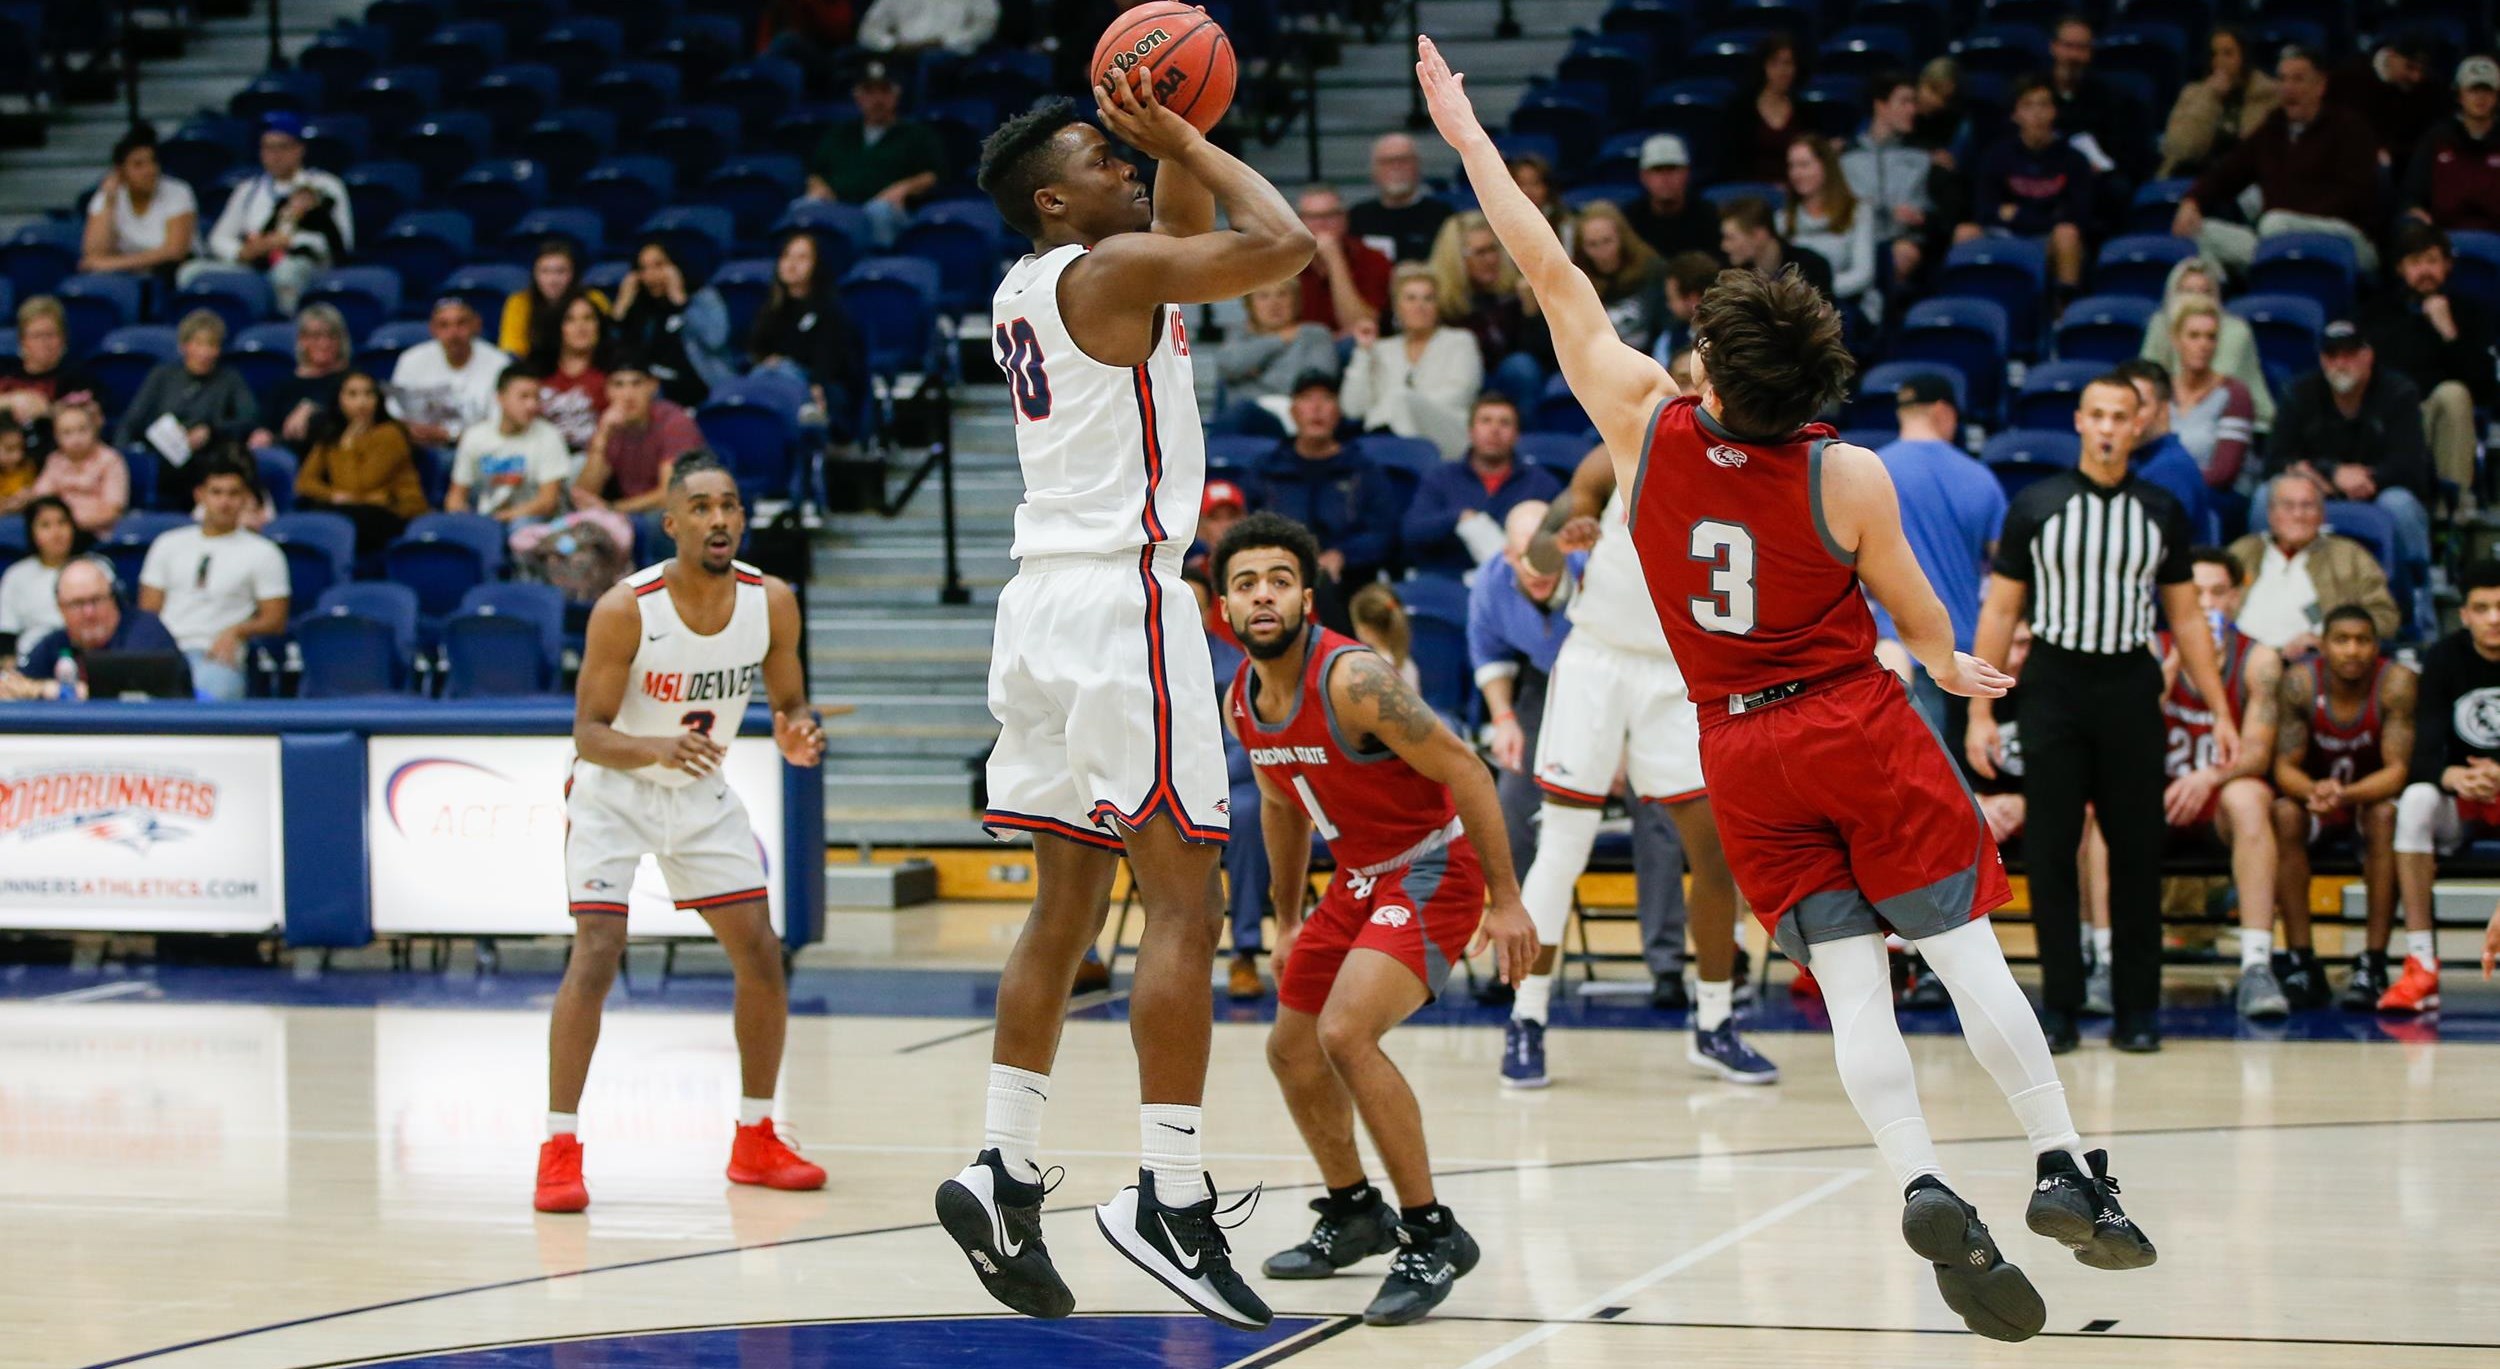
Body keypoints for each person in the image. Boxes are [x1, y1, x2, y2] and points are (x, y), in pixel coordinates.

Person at [1424, 39, 2156, 1344]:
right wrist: (1950, 666)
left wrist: (1471, 140)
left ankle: (1921, 1180)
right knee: (1964, 955)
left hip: (1739, 747)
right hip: (1853, 723)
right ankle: (2060, 1161)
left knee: (1853, 984)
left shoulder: (1643, 426)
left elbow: (1550, 271)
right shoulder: (1848, 476)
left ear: (1709, 367)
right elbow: (1923, 626)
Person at [939, 76, 1314, 1332]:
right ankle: (1169, 1193)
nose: (1130, 168)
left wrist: (1173, 143)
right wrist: (1192, 129)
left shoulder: (1039, 283)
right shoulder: (1109, 272)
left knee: (1063, 907)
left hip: (1041, 604)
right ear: (1053, 200)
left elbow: (1187, 227)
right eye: (1104, 159)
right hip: (1120, 605)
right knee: (1185, 902)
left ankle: (1001, 1165)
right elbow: (1284, 244)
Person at [1218, 513, 1535, 1328]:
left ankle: (1432, 1233)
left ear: (1307, 598)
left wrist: (1506, 900)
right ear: (1225, 608)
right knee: (1290, 1047)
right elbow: (1282, 805)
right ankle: (1354, 1210)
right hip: (1358, 877)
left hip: (1435, 865)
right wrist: (1288, 919)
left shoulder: (1354, 679)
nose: (1263, 595)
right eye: (1247, 583)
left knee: (1345, 1032)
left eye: (1280, 581)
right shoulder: (1242, 700)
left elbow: (1467, 768)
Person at [535, 453, 828, 1214]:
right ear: (671, 523)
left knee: (761, 952)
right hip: (614, 791)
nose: (718, 518)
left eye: (729, 505)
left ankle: (755, 1137)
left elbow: (791, 701)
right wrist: (654, 746)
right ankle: (558, 1148)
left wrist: (796, 732)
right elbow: (590, 734)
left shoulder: (773, 602)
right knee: (598, 950)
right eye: (701, 507)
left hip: (698, 791)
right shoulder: (626, 608)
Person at [1971, 374, 2234, 1056]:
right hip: (2054, 683)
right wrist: (1980, 712)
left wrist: (2220, 709)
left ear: (2139, 424)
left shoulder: (2160, 508)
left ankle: (2137, 1008)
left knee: (2138, 850)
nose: (2110, 427)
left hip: (2129, 687)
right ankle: (2060, 1005)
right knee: (2052, 849)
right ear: (2080, 421)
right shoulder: (2037, 504)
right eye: (2099, 415)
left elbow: (2186, 618)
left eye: (2122, 415)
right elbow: (2000, 611)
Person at [1512, 445, 1781, 1087]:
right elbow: (1538, 559)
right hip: (1596, 660)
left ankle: (1715, 1022)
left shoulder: (1752, 459)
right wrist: (1561, 542)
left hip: (1680, 671)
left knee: (1714, 850)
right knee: (1563, 845)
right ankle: (1527, 1017)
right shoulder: (1614, 457)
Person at [2158, 550, 2289, 1019]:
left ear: (2236, 598)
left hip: (2219, 805)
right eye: (2196, 594)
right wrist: (2179, 659)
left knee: (2249, 796)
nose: (2207, 603)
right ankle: (2104, 960)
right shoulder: (2152, 649)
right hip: (2157, 800)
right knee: (2100, 802)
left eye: (2218, 592)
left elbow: (2257, 752)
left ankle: (2256, 965)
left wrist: (2209, 776)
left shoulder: (2259, 659)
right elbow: (2127, 733)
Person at [2272, 605, 2413, 1011]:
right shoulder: (2300, 682)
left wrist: (2345, 795)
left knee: (2385, 816)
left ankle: (2373, 962)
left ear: (2376, 646)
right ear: (2323, 645)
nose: (2352, 650)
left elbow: (2398, 770)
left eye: (2362, 640)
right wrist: (2314, 791)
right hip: (2316, 802)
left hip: (2366, 801)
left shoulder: (2396, 683)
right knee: (2283, 814)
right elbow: (2284, 766)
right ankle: (2301, 960)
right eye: (2342, 640)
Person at [2389, 561, 2500, 1015]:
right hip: (2461, 799)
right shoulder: (2442, 659)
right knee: (2415, 800)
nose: (2494, 618)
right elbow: (2420, 753)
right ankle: (2420, 963)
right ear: (2465, 614)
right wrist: (2451, 777)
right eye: (2482, 608)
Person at [1871, 375, 2005, 730]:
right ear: (1944, 413)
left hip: (1902, 654)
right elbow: (2008, 568)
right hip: (1972, 660)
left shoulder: (1871, 473)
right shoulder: (1981, 478)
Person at [2174, 47, 2381, 275]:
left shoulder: (2350, 128)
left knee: (2275, 222)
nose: (2288, 88)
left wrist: (2292, 212)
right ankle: (2217, 291)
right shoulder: (2273, 129)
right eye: (2283, 79)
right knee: (2195, 230)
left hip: (2343, 238)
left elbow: (2356, 197)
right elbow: (2228, 172)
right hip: (2275, 234)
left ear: (2320, 85)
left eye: (2298, 79)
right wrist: (2193, 200)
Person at [1467, 500, 1583, 890]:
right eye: (1522, 557)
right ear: (1507, 555)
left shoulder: (1594, 568)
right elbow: (1490, 656)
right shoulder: (1491, 581)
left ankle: (1664, 930)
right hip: (1542, 678)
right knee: (1514, 792)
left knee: (1651, 799)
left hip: (1615, 676)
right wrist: (1503, 719)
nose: (1535, 570)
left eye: (1544, 555)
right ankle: (1514, 909)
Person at [2263, 322, 2434, 573]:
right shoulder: (2299, 392)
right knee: (2267, 494)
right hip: (2315, 489)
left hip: (2380, 490)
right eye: (2332, 355)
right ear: (2322, 360)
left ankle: (2417, 589)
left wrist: (2368, 478)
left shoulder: (2399, 393)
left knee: (2399, 504)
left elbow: (2411, 466)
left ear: (2368, 356)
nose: (2341, 364)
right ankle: (2266, 575)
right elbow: (2274, 461)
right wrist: (2331, 473)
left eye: (2349, 354)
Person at [2363, 221, 2496, 507]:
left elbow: (2485, 388)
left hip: (2442, 414)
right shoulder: (2376, 314)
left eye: (2432, 261)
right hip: (2391, 414)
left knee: (2453, 393)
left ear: (2447, 266)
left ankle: (2455, 508)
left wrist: (2449, 332)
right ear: (2400, 269)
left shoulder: (2471, 313)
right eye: (2415, 262)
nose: (2425, 271)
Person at [134, 453, 288, 700]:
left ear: (245, 498)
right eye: (216, 492)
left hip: (218, 656)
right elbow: (148, 611)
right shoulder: (167, 544)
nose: (224, 502)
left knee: (209, 694)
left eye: (233, 493)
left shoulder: (265, 552)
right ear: (200, 495)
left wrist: (237, 631)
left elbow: (275, 620)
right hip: (166, 654)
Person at [185, 112, 351, 312]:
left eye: (282, 147)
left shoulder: (325, 185)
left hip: (305, 266)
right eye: (268, 148)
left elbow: (343, 242)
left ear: (299, 149)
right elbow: (218, 238)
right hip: (253, 267)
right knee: (192, 271)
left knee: (287, 271)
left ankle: (286, 322)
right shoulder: (248, 189)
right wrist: (241, 252)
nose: (275, 155)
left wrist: (288, 242)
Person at [2226, 469, 2402, 654]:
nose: (2298, 515)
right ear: (2271, 514)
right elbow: (2211, 607)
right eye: (2288, 506)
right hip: (2240, 658)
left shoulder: (2350, 556)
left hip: (2316, 661)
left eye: (2307, 506)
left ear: (2322, 514)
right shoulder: (2242, 552)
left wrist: (2331, 640)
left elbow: (2386, 618)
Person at [1251, 378, 1394, 595]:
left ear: (1338, 412)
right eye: (1307, 399)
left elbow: (1383, 531)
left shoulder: (1363, 470)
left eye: (1326, 399)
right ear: (1293, 412)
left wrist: (1343, 555)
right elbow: (1246, 522)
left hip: (1348, 583)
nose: (1316, 408)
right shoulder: (1266, 468)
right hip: (1275, 580)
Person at [114, 310, 259, 514]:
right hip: (162, 459)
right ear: (184, 346)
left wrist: (210, 431)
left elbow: (249, 418)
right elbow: (133, 420)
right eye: (198, 344)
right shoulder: (162, 375)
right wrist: (120, 457)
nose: (205, 353)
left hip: (208, 460)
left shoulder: (229, 379)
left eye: (212, 345)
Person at [1399, 393, 1559, 576]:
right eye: (1486, 421)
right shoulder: (1441, 477)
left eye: (1505, 423)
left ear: (1517, 435)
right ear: (1471, 432)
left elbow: (1555, 541)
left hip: (1516, 581)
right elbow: (1412, 531)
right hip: (1446, 579)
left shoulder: (1541, 483)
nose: (1494, 430)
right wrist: (1459, 518)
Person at [1340, 263, 1483, 460]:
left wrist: (1401, 406)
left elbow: (1460, 396)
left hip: (1449, 434)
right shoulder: (1381, 350)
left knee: (1400, 399)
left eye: (1428, 298)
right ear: (1397, 307)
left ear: (1437, 306)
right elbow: (1352, 408)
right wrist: (1363, 352)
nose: (1420, 306)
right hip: (1391, 438)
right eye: (1411, 298)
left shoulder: (1460, 341)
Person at [1965, 76, 2092, 291]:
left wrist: (2018, 215)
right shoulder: (1997, 156)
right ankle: (1970, 305)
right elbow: (1984, 210)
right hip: (2006, 236)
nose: (2037, 114)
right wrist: (2044, 215)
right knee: (1965, 232)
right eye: (2028, 106)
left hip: (2049, 239)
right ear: (2016, 115)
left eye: (2044, 105)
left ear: (2054, 112)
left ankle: (2064, 308)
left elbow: (2078, 216)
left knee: (2067, 235)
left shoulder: (2073, 160)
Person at [804, 60, 945, 247]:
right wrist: (818, 187)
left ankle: (878, 260)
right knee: (805, 206)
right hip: (840, 207)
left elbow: (933, 175)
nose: (878, 100)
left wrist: (903, 188)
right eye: (869, 92)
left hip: (888, 212)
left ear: (896, 96)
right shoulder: (841, 133)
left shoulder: (916, 135)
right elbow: (815, 173)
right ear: (858, 97)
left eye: (885, 91)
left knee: (878, 211)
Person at [5, 556, 184, 699]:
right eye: (77, 604)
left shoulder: (146, 632)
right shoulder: (56, 642)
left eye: (96, 600)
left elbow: (121, 696)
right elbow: (11, 685)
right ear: (61, 608)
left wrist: (51, 690)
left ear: (113, 598)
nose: (89, 612)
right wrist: (40, 688)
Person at [295, 370, 429, 555]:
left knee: (341, 518)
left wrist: (348, 447)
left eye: (368, 394)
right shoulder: (332, 434)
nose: (362, 402)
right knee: (315, 513)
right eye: (352, 394)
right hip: (353, 510)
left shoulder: (390, 434)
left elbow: (359, 484)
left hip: (395, 512)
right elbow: (304, 483)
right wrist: (334, 495)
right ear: (339, 399)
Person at [1845, 74, 1954, 285]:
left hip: (1904, 242)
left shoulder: (1925, 156)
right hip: (1857, 240)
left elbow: (1945, 215)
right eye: (1904, 102)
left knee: (1903, 254)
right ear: (1881, 105)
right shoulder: (1847, 157)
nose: (1912, 110)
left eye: (1914, 103)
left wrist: (1922, 217)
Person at [2140, 256, 2274, 428]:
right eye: (2187, 292)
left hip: (2238, 420)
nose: (2195, 299)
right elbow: (2147, 382)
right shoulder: (2160, 325)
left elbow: (2213, 393)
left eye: (2205, 292)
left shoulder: (2235, 331)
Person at [748, 230, 864, 423]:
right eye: (787, 256)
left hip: (817, 385)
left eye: (802, 258)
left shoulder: (830, 309)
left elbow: (830, 358)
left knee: (783, 371)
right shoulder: (771, 309)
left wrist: (816, 383)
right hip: (774, 381)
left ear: (816, 265)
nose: (792, 264)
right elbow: (758, 348)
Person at [573, 358, 707, 515]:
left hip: (685, 511)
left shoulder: (674, 422)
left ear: (653, 386)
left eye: (636, 384)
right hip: (634, 513)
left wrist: (611, 509)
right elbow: (583, 495)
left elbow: (670, 494)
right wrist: (602, 436)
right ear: (607, 390)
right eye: (618, 385)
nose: (628, 395)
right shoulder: (611, 427)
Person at [612, 237, 735, 407]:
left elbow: (715, 339)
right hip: (655, 399)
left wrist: (681, 302)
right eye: (643, 268)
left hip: (704, 393)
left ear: (675, 266)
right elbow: (615, 353)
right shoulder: (641, 307)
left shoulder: (703, 297)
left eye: (659, 265)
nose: (651, 275)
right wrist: (621, 306)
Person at [1425, 211, 1537, 395]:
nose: (1491, 259)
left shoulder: (1513, 294)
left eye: (1494, 249)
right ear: (1456, 258)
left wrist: (1530, 315)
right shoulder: (1436, 300)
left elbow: (1539, 358)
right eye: (1480, 253)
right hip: (1456, 384)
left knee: (1521, 366)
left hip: (1505, 384)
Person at [448, 366, 569, 529]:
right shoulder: (475, 436)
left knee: (521, 525)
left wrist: (500, 518)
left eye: (536, 397)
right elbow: (456, 496)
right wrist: (465, 519)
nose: (532, 405)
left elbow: (548, 502)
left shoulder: (548, 436)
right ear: (500, 398)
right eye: (523, 397)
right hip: (485, 516)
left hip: (530, 521)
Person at [1204, 280, 1338, 424]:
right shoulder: (1239, 336)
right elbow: (1229, 366)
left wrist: (1253, 368)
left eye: (1282, 294)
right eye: (1264, 296)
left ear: (1296, 301)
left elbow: (1315, 383)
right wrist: (1280, 339)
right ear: (1250, 305)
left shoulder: (1315, 335)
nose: (1274, 303)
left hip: (1295, 420)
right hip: (1245, 421)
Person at [389, 299, 512, 450]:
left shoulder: (499, 363)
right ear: (433, 329)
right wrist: (414, 430)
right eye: (444, 325)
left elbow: (499, 422)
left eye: (461, 323)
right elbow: (394, 410)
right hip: (419, 446)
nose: (453, 333)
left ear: (477, 325)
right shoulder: (411, 360)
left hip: (478, 448)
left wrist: (451, 435)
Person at [2159, 25, 2279, 179]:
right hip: (2194, 175)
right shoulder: (2192, 94)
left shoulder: (2269, 95)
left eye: (2228, 53)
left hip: (2248, 178)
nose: (2219, 61)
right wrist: (2210, 98)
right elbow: (2183, 149)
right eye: (2214, 54)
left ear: (2244, 57)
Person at [79, 123, 196, 281]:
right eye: (138, 165)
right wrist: (109, 202)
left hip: (171, 274)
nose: (150, 170)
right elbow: (93, 255)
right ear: (121, 171)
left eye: (153, 161)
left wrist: (112, 264)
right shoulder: (106, 197)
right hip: (127, 276)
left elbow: (175, 251)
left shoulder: (179, 192)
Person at [2163, 300, 2259, 487]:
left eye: (2211, 337)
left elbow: (2224, 473)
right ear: (2175, 339)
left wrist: (2166, 479)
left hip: (2217, 493)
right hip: (2165, 489)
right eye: (2194, 336)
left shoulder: (2235, 394)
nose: (2203, 344)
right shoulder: (2160, 390)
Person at [2400, 57, 2500, 233]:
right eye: (2473, 90)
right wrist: (2415, 211)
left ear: (2497, 96)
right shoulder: (2436, 139)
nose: (2480, 98)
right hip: (2443, 236)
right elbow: (2413, 192)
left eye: (2487, 91)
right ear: (2459, 94)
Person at [1784, 134, 1878, 320]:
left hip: (1847, 305)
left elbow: (1863, 274)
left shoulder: (1858, 212)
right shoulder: (1783, 219)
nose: (1796, 173)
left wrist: (1814, 293)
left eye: (1804, 165)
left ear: (1826, 166)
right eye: (1791, 166)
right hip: (1796, 310)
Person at [2112, 360, 2210, 538]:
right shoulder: (2130, 460)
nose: (2128, 413)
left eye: (2140, 404)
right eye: (2122, 404)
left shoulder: (2173, 470)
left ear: (2163, 409)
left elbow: (2149, 545)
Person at [0, 297, 101, 458]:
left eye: (51, 335)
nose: (44, 343)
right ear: (22, 341)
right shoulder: (5, 370)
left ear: (63, 339)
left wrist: (46, 409)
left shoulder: (78, 378)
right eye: (36, 335)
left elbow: (87, 423)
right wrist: (9, 401)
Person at [247, 302, 350, 452]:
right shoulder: (284, 384)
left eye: (331, 336)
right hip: (283, 451)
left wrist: (313, 410)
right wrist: (261, 433)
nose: (324, 343)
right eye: (316, 336)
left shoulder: (352, 379)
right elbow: (262, 421)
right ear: (302, 340)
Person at [1296, 184, 1393, 338]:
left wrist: (1334, 258)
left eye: (1330, 215)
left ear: (1344, 218)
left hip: (1359, 347)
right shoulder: (1287, 263)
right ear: (1299, 221)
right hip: (1304, 348)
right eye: (1312, 217)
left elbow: (1361, 328)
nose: (1321, 224)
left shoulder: (1373, 260)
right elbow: (1273, 329)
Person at [2329, 35, 2441, 168]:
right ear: (2392, 55)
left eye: (2423, 71)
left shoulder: (2429, 89)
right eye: (2410, 67)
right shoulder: (2351, 77)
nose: (2416, 77)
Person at [1569, 201, 1666, 351]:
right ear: (1581, 247)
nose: (1602, 252)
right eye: (1592, 244)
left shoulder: (1652, 270)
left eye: (1607, 241)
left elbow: (1664, 324)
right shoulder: (1575, 282)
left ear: (1622, 238)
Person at [1348, 132, 1452, 266]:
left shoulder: (1443, 215)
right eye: (1387, 162)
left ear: (1418, 165)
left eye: (1404, 160)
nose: (1396, 167)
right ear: (1373, 169)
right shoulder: (1357, 217)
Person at [498, 240, 611, 361]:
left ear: (573, 273)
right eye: (545, 271)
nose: (552, 280)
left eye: (560, 271)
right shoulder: (519, 302)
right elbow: (513, 354)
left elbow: (608, 344)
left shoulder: (593, 299)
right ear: (534, 274)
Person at [30, 401, 129, 535]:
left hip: (95, 531)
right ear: (56, 436)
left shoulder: (110, 460)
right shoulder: (55, 460)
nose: (76, 439)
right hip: (58, 532)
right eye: (67, 433)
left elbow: (113, 510)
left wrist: (72, 525)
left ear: (94, 429)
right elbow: (41, 499)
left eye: (82, 430)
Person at [0, 496, 83, 656]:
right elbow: (6, 631)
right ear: (32, 532)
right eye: (45, 525)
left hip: (86, 657)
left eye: (62, 522)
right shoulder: (16, 575)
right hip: (29, 658)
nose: (56, 533)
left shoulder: (94, 568)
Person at [534, 292, 613, 457]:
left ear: (599, 326)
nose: (581, 327)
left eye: (588, 318)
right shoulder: (536, 372)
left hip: (597, 457)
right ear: (557, 327)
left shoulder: (613, 374)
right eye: (570, 320)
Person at [1718, 196, 1837, 300]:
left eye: (1730, 238)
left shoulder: (1811, 267)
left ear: (1759, 235)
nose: (1724, 246)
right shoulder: (1731, 275)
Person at [1624, 134, 1720, 262]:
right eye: (1657, 170)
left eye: (1672, 169)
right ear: (1643, 176)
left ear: (1686, 173)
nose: (1665, 178)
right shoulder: (1629, 220)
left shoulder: (1710, 216)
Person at [1727, 33, 1804, 184]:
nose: (1782, 71)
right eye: (1775, 63)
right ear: (1764, 66)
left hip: (1795, 189)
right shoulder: (1739, 110)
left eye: (1788, 63)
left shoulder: (1805, 111)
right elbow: (1731, 162)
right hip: (1749, 190)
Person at [857, 0, 996, 56]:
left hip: (950, 54)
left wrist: (944, 41)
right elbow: (867, 31)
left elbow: (986, 27)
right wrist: (892, 44)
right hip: (902, 53)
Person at [0, 416, 31, 514]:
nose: (18, 456)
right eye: (10, 449)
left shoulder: (27, 467)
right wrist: (8, 505)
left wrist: (28, 496)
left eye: (21, 448)